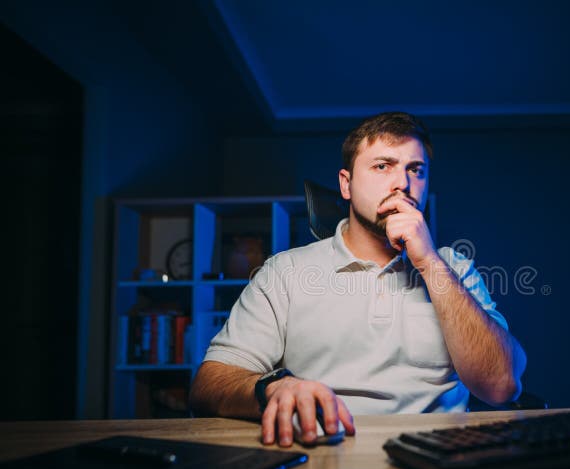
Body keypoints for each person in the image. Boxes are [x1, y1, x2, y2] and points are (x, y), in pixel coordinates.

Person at [189, 111, 527, 447]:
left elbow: (501, 385)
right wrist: (274, 386)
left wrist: (428, 263)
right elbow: (208, 384)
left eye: (415, 170)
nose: (403, 184)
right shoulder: (286, 273)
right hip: (323, 452)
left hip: (440, 458)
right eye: (383, 166)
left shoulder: (453, 267)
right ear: (346, 185)